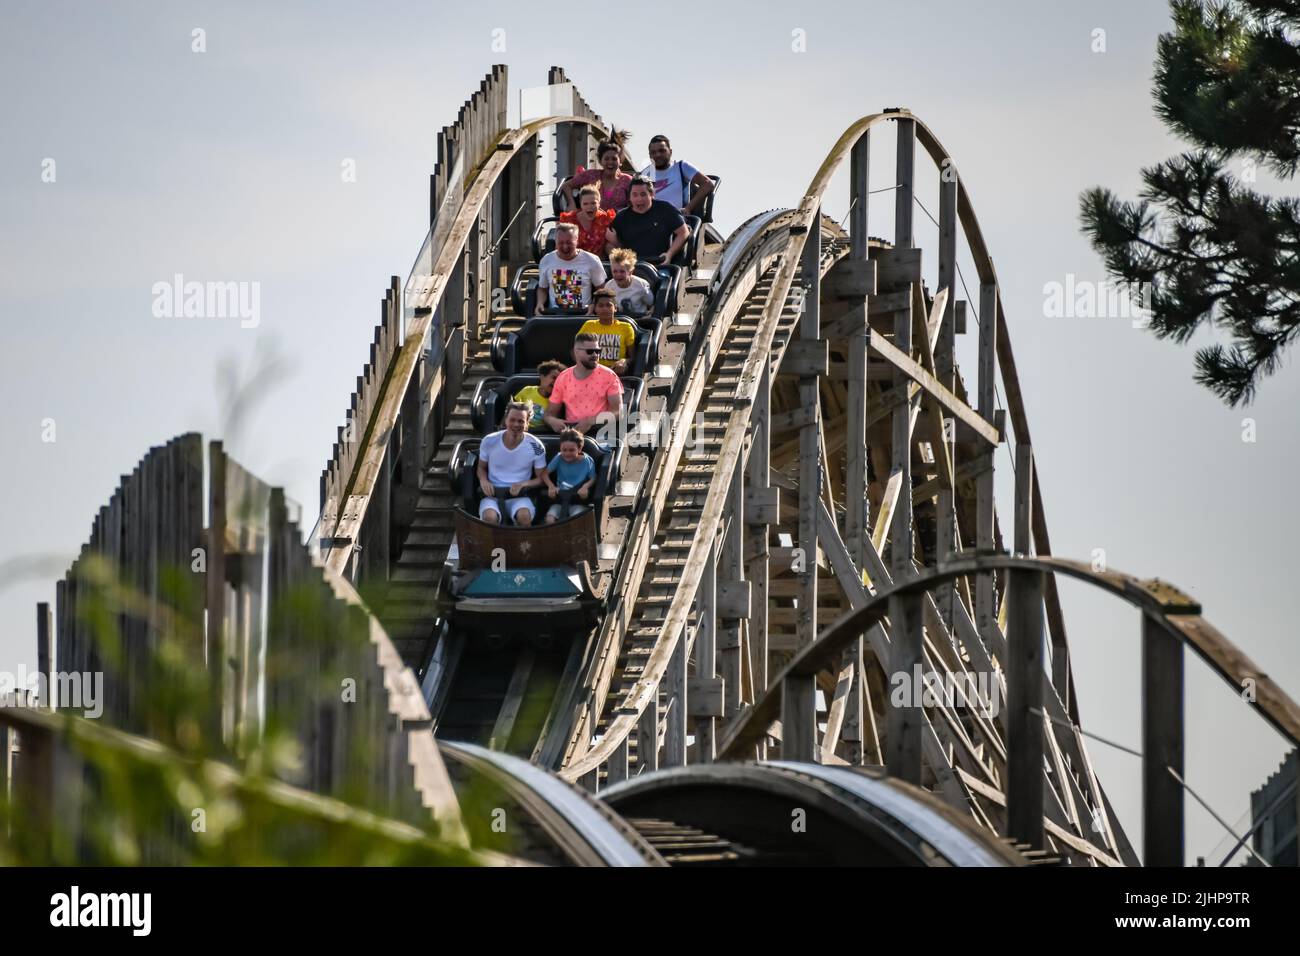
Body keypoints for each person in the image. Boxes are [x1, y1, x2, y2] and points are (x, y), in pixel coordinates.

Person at [475, 402, 547, 525]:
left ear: (527, 423)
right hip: (493, 495)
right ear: (506, 420)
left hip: (520, 496)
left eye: (521, 421)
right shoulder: (489, 441)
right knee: (489, 518)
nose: (516, 424)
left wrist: (523, 484)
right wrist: (484, 480)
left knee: (524, 518)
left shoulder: (536, 445)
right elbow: (481, 468)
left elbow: (541, 478)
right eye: (512, 420)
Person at [544, 332, 623, 436]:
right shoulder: (563, 377)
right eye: (590, 351)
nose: (595, 355)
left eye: (597, 351)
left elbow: (618, 412)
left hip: (601, 432)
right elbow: (549, 414)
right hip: (572, 436)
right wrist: (552, 421)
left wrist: (590, 421)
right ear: (576, 352)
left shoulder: (609, 375)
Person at [607, 177, 690, 266]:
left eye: (643, 194)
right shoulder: (621, 217)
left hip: (660, 264)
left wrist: (670, 254)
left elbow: (683, 232)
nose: (639, 199)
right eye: (635, 195)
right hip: (630, 267)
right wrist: (618, 260)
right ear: (629, 197)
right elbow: (609, 244)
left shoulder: (665, 210)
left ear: (651, 194)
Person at [536, 223, 606, 314]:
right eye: (561, 243)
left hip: (583, 314)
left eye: (569, 243)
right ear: (556, 241)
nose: (565, 247)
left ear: (576, 240)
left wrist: (593, 305)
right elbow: (542, 288)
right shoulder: (547, 260)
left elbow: (601, 289)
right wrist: (540, 303)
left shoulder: (591, 260)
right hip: (555, 315)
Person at [639, 134, 713, 218]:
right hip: (652, 221)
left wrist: (688, 208)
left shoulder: (681, 166)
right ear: (649, 155)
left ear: (670, 152)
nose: (657, 155)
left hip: (678, 220)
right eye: (653, 152)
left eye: (661, 151)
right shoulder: (645, 174)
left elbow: (707, 184)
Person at [561, 128, 633, 211]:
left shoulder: (627, 180)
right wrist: (571, 204)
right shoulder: (590, 175)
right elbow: (566, 185)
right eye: (606, 159)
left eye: (614, 159)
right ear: (600, 161)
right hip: (593, 221)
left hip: (619, 221)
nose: (610, 162)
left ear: (620, 161)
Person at [543, 428, 597, 523]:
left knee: (574, 519)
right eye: (564, 450)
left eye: (571, 450)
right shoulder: (559, 458)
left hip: (577, 500)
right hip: (560, 498)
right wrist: (551, 486)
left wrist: (585, 486)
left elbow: (593, 478)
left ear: (579, 449)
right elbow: (545, 474)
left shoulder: (586, 461)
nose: (567, 453)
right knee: (549, 519)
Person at [578, 289, 637, 375]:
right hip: (593, 372)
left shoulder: (626, 327)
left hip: (616, 373)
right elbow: (576, 350)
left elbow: (633, 357)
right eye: (601, 306)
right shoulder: (588, 325)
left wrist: (624, 361)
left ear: (615, 308)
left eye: (609, 305)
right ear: (595, 309)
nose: (605, 309)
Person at [559, 184, 616, 257]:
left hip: (599, 263)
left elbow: (619, 246)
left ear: (599, 203)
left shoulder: (605, 219)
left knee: (610, 245)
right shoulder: (569, 221)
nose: (589, 207)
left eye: (593, 203)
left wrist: (614, 240)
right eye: (585, 204)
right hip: (575, 261)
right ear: (581, 204)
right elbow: (559, 247)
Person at [512, 359, 565, 432]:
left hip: (541, 434)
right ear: (542, 376)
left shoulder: (556, 402)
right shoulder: (527, 390)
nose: (556, 382)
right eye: (554, 377)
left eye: (559, 380)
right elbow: (511, 410)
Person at [602, 248, 654, 318]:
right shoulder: (609, 286)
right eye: (615, 271)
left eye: (622, 271)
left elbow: (651, 303)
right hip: (619, 320)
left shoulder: (641, 285)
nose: (618, 274)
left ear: (630, 272)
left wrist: (650, 313)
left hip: (639, 319)